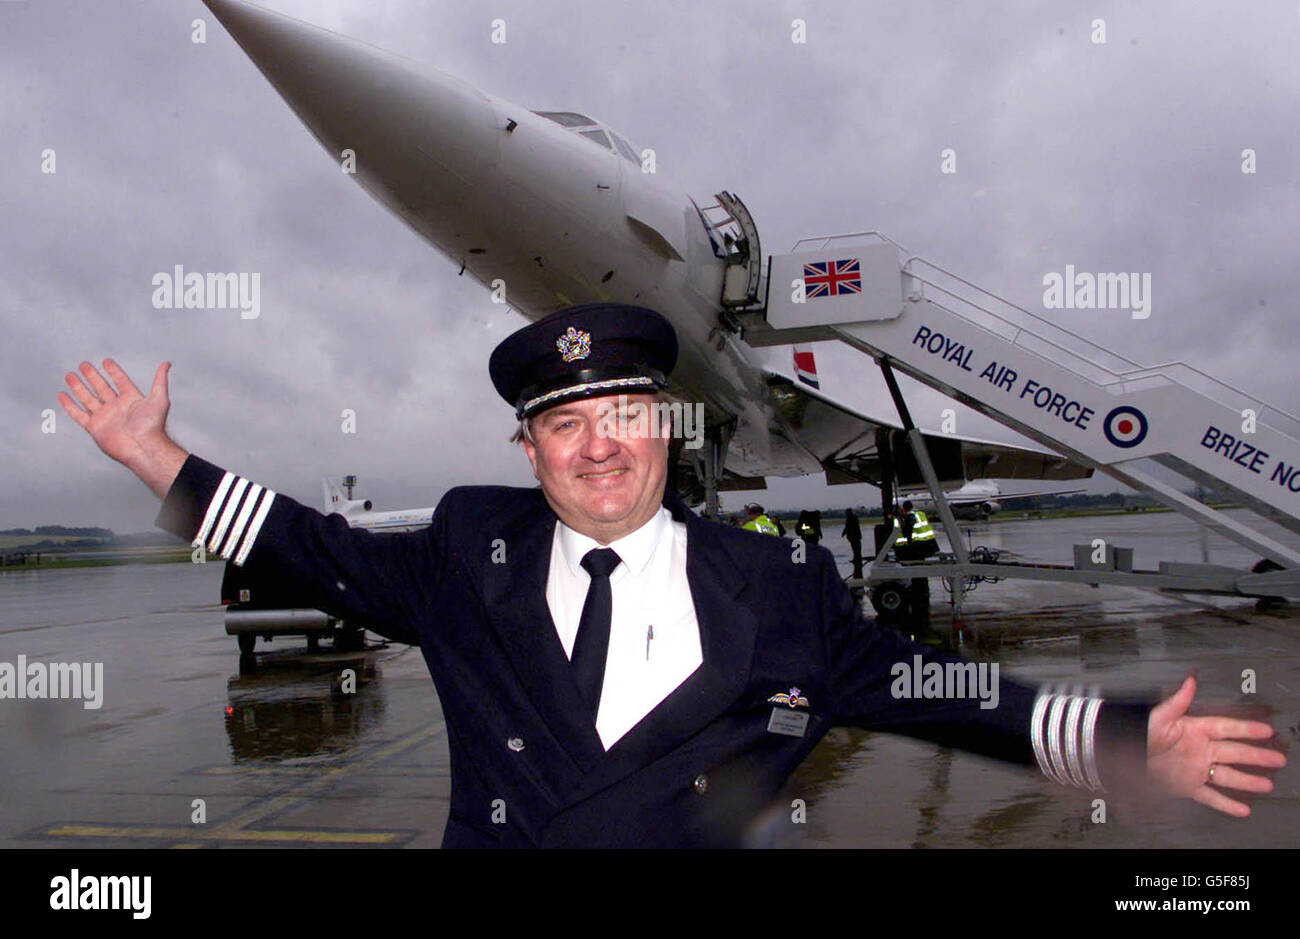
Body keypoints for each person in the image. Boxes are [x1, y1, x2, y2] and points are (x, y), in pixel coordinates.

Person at [57, 302, 1285, 847]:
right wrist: (156, 458)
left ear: (667, 429)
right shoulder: (461, 555)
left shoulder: (783, 587)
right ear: (526, 447)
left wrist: (1128, 739)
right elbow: (303, 549)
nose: (598, 442)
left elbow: (940, 696)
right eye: (564, 421)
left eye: (624, 413)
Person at [842, 507, 864, 580]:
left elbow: (847, 527)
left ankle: (857, 558)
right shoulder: (853, 517)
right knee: (856, 548)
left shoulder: (851, 518)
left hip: (854, 537)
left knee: (856, 548)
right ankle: (857, 558)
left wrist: (844, 533)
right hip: (855, 537)